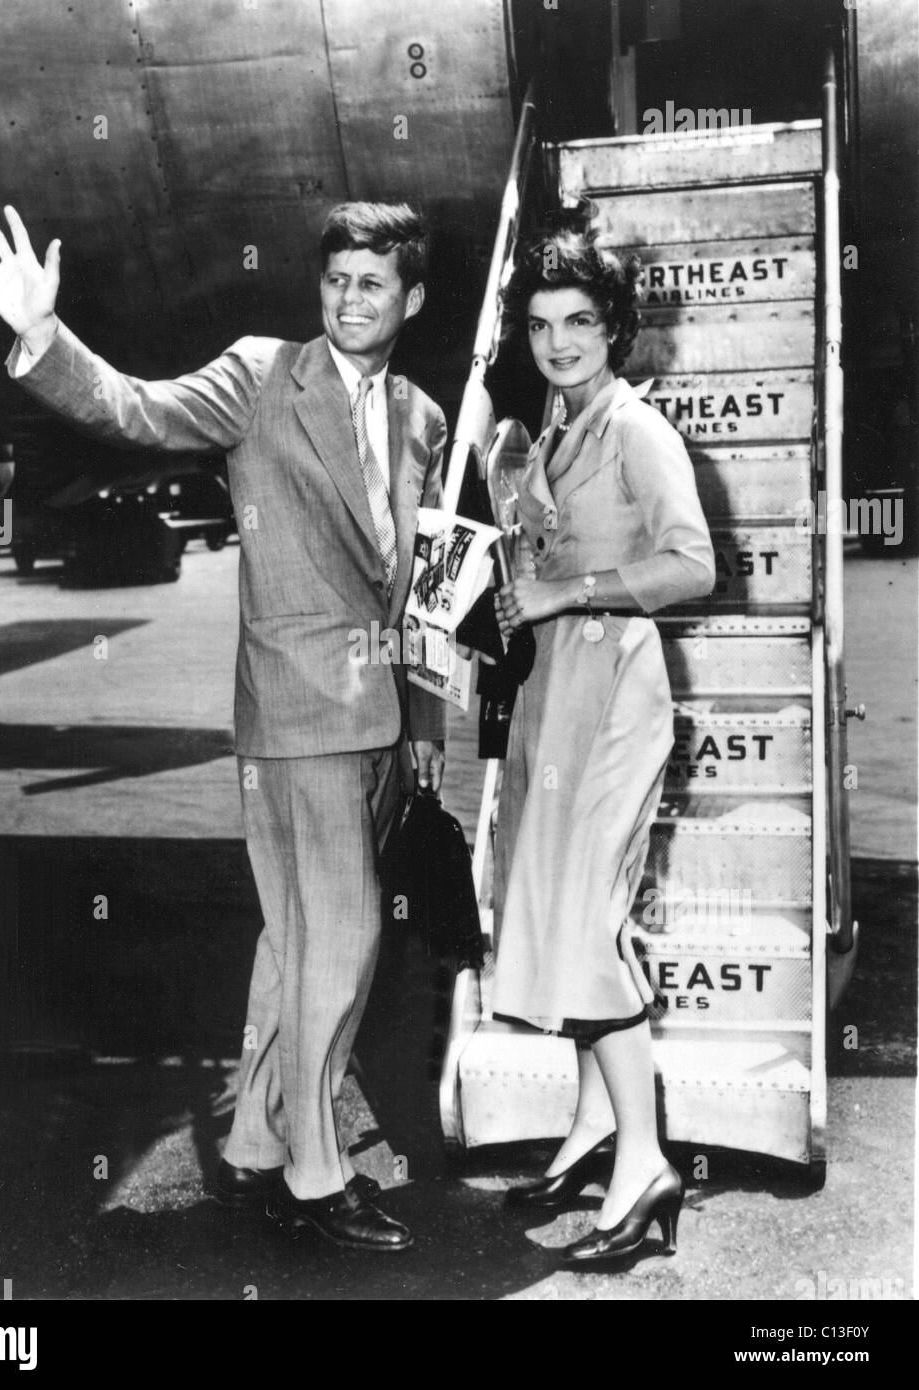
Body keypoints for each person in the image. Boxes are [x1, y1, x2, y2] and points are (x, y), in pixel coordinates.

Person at [0, 202, 447, 1253]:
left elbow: (413, 590)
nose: (349, 299)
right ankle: (319, 1173)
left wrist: (423, 726)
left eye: (373, 284)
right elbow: (136, 410)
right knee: (346, 942)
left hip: (379, 717)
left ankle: (252, 1153)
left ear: (410, 297)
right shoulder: (261, 377)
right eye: (335, 281)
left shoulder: (421, 415)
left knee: (294, 944)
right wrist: (44, 338)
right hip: (294, 713)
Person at [492, 218, 715, 1267]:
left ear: (615, 328)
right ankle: (589, 1127)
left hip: (616, 696)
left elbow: (691, 566)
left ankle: (646, 1164)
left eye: (579, 322)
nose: (558, 342)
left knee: (585, 926)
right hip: (554, 698)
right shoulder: (555, 428)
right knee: (557, 915)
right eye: (540, 325)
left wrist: (560, 590)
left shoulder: (635, 428)